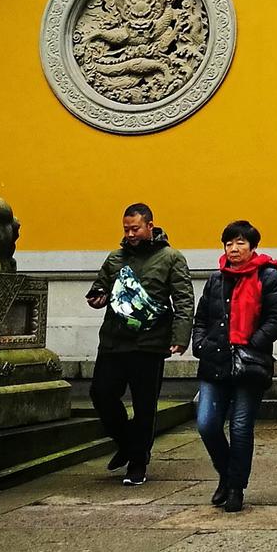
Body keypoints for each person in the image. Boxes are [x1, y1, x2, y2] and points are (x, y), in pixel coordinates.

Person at [86, 202, 194, 486]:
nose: (131, 234)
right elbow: (100, 288)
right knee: (101, 393)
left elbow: (183, 299)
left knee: (145, 405)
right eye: (126, 229)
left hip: (149, 343)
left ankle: (138, 461)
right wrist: (97, 297)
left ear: (150, 225)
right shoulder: (115, 258)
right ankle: (127, 442)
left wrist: (180, 337)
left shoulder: (171, 258)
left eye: (135, 228)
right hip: (113, 340)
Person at [191, 220, 277, 513]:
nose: (234, 249)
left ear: (252, 246)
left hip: (250, 363)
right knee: (207, 423)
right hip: (215, 360)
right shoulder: (216, 279)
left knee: (240, 427)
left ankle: (235, 487)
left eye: (240, 243)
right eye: (229, 243)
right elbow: (201, 319)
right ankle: (226, 473)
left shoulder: (268, 276)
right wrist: (201, 344)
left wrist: (254, 343)